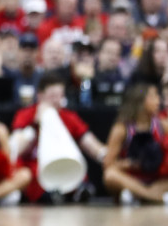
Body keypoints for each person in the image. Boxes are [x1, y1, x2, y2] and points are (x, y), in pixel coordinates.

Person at [11, 71, 107, 202]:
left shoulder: (68, 116)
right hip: (36, 170)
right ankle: (52, 194)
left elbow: (88, 142)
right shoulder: (26, 114)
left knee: (77, 176)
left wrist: (104, 155)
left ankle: (74, 191)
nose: (57, 100)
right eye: (52, 96)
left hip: (65, 166)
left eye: (60, 95)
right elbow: (15, 148)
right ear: (40, 96)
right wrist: (34, 125)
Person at [101, 83, 168, 205]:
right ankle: (155, 197)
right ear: (140, 101)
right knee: (110, 176)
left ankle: (138, 195)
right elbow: (108, 164)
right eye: (153, 96)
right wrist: (133, 164)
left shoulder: (162, 125)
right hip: (131, 178)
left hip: (156, 178)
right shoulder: (121, 128)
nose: (158, 101)